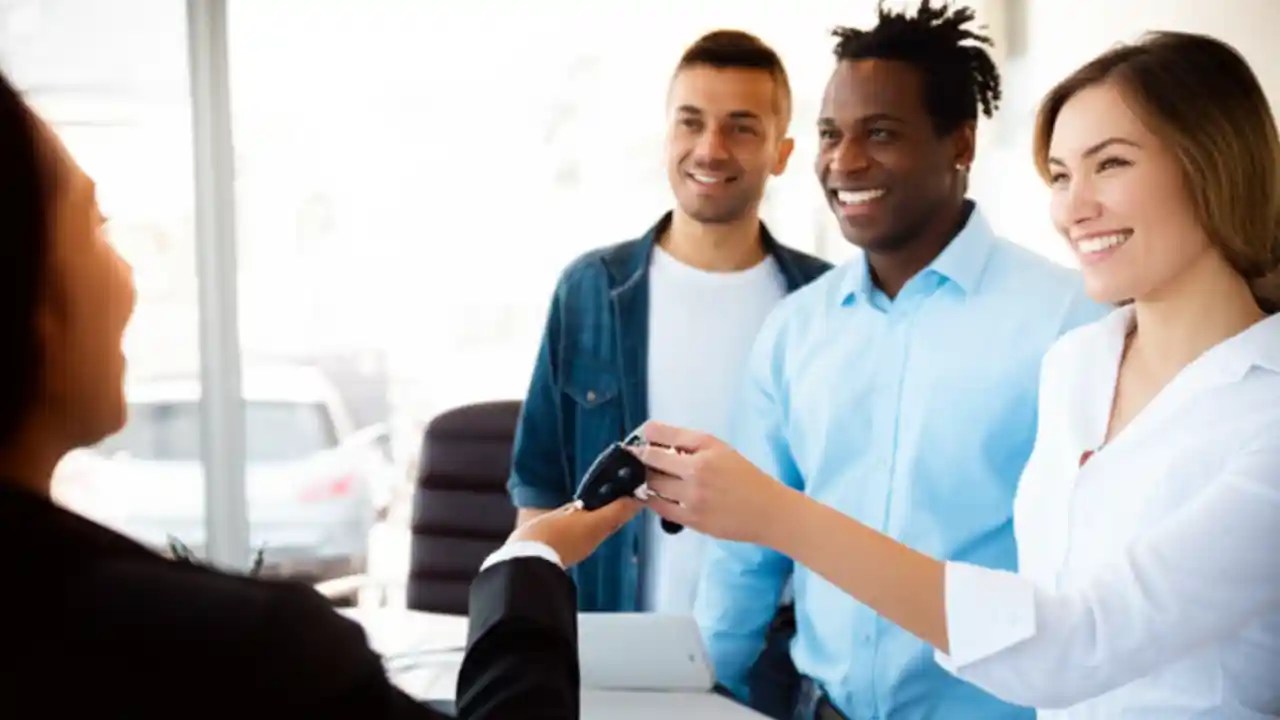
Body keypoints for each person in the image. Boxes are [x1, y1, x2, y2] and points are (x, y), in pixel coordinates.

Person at [634, 30, 1280, 719]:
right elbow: (1051, 598)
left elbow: (1074, 642)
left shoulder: (1223, 398)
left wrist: (777, 515)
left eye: (1111, 163)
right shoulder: (1081, 363)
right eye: (1061, 176)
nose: (1071, 208)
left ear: (1215, 166)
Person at [0, 70, 641, 720]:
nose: (130, 279)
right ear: (28, 291)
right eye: (96, 228)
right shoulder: (241, 655)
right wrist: (531, 558)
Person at [677, 3, 1108, 718]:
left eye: (880, 133)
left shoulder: (1072, 322)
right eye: (829, 134)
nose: (844, 162)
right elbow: (744, 552)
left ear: (960, 143)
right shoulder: (795, 330)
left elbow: (1098, 578)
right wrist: (702, 693)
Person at [507, 29, 830, 717]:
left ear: (782, 152)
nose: (710, 148)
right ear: (666, 136)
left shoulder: (826, 306)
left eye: (742, 127)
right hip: (612, 661)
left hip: (775, 674)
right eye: (691, 122)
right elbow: (540, 491)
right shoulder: (590, 291)